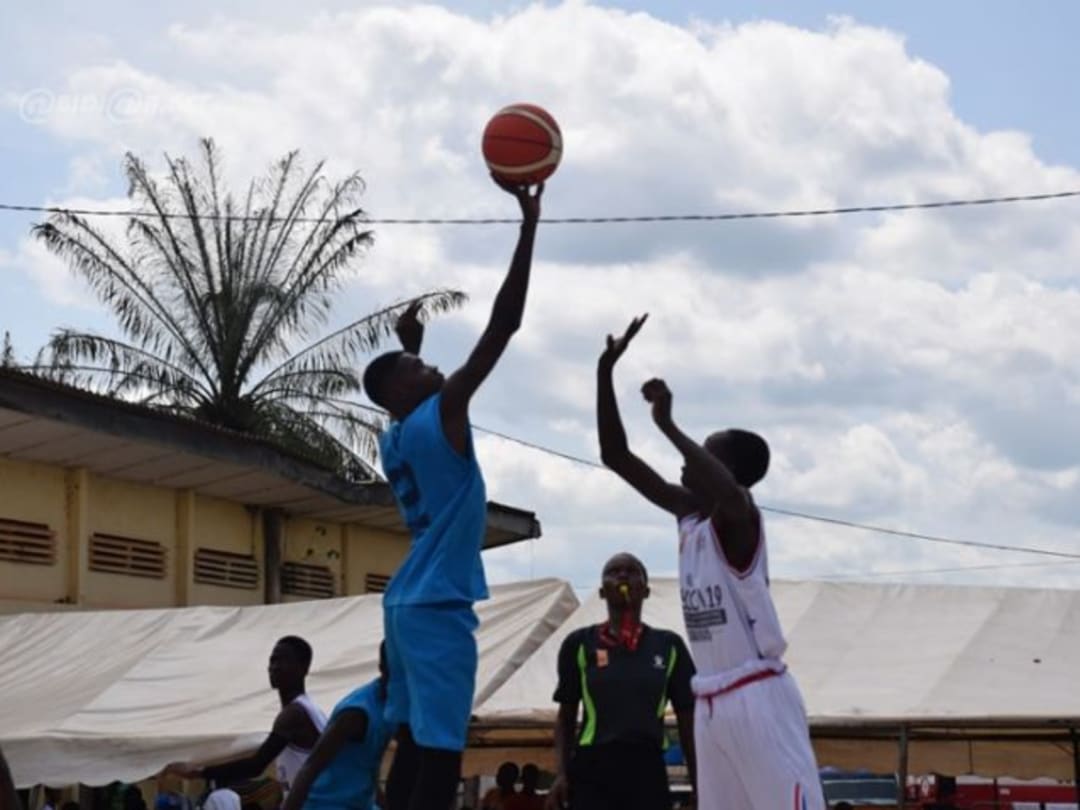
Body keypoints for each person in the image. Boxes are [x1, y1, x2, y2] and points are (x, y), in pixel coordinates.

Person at [361, 178, 543, 810]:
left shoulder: (395, 437)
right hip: (437, 606)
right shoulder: (444, 410)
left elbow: (396, 392)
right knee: (440, 751)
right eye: (423, 369)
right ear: (409, 392)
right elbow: (506, 323)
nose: (435, 369)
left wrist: (409, 351)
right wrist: (528, 226)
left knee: (413, 742)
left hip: (405, 605)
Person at [596, 315, 825, 810]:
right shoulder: (688, 517)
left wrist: (667, 426)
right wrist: (604, 371)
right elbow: (615, 455)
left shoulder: (739, 523)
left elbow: (730, 494)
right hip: (711, 701)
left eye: (705, 454)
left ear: (729, 474)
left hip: (758, 693)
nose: (689, 460)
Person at [548, 553, 696, 810]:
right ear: (602, 593)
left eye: (631, 571)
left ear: (646, 591)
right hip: (592, 767)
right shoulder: (579, 644)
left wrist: (698, 781)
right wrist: (561, 773)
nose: (622, 575)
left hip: (646, 767)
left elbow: (688, 719)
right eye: (613, 571)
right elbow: (566, 716)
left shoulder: (669, 645)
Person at [165, 637, 327, 802]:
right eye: (272, 661)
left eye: (283, 660)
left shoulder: (294, 714)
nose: (274, 667)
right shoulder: (308, 710)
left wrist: (200, 772)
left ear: (303, 668)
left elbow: (255, 766)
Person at [279, 643, 395, 810]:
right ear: (383, 668)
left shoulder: (394, 705)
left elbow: (365, 767)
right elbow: (310, 768)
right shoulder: (355, 714)